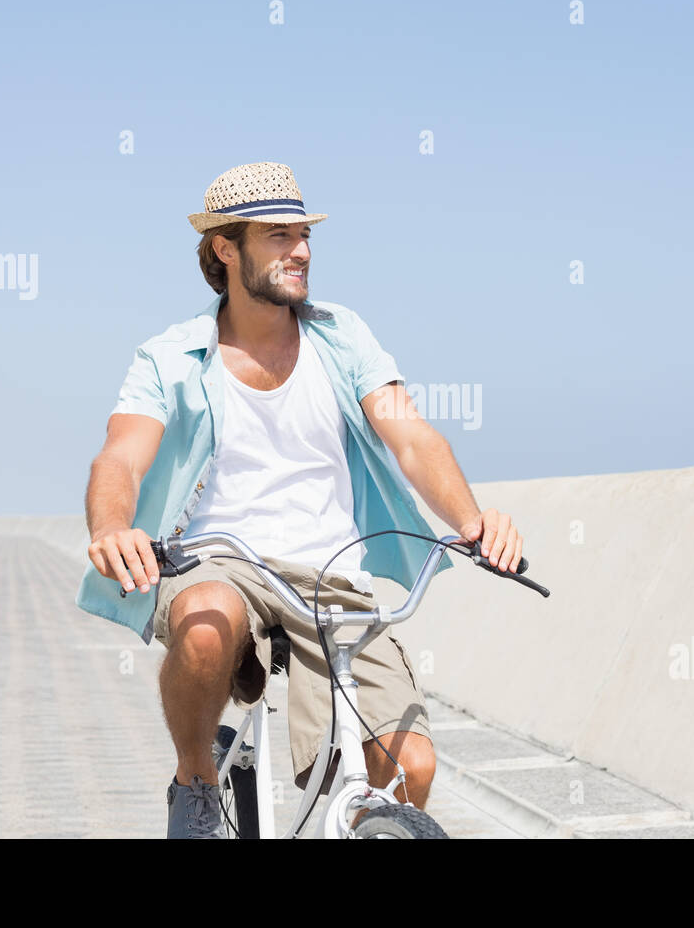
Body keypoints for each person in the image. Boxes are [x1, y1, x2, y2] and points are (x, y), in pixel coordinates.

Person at [76, 161, 524, 838]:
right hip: (222, 563)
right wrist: (112, 526)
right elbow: (121, 453)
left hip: (332, 576)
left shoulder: (340, 338)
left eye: (305, 234)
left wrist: (472, 520)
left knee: (412, 772)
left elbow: (410, 436)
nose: (303, 250)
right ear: (226, 249)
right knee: (204, 623)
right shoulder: (171, 356)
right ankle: (196, 780)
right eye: (280, 235)